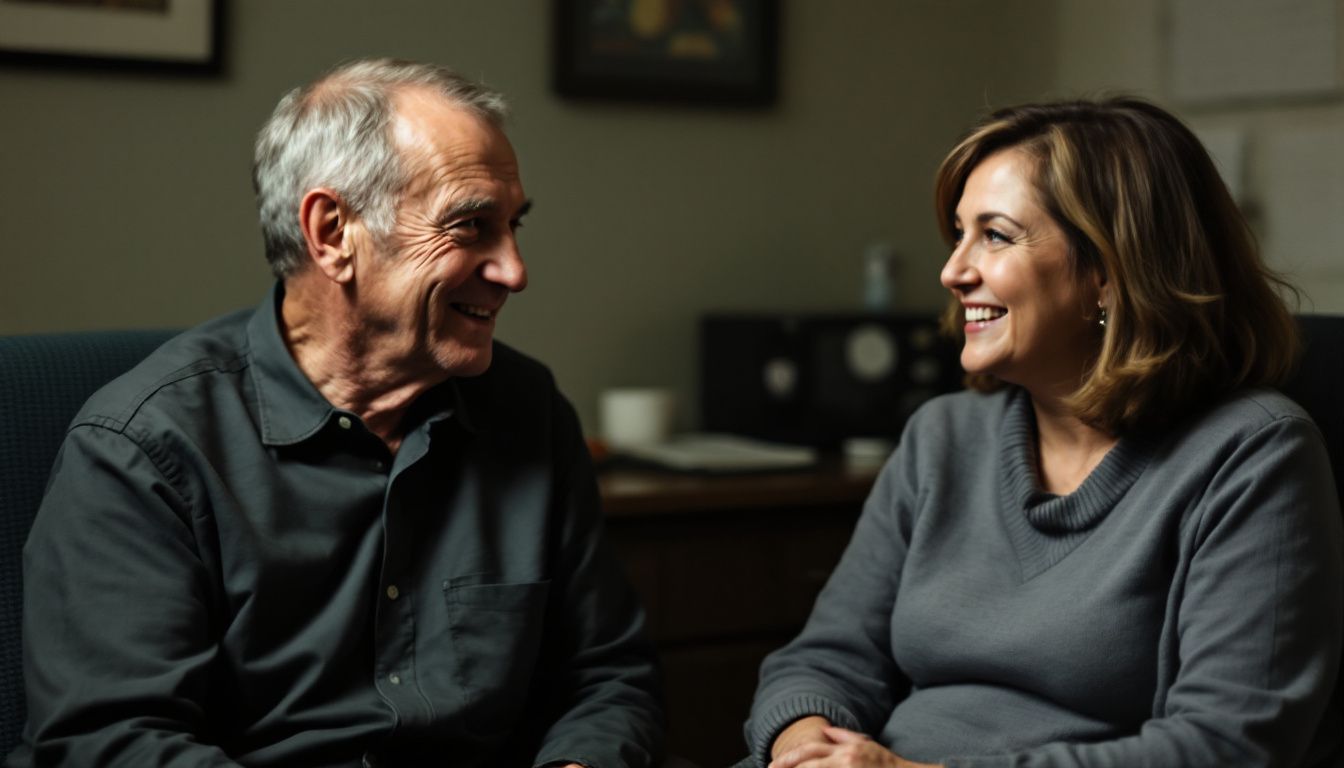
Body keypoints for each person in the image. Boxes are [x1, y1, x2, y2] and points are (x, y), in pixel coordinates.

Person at [10, 58, 663, 768]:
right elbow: (112, 740)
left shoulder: (528, 409)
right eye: (471, 226)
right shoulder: (142, 447)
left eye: (513, 226)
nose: (515, 271)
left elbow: (605, 675)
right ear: (332, 233)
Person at [742, 98, 1343, 767]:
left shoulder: (1254, 454)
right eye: (958, 235)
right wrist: (804, 746)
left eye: (995, 236)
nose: (952, 271)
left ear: (1109, 272)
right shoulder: (941, 437)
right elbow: (826, 657)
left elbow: (1227, 747)